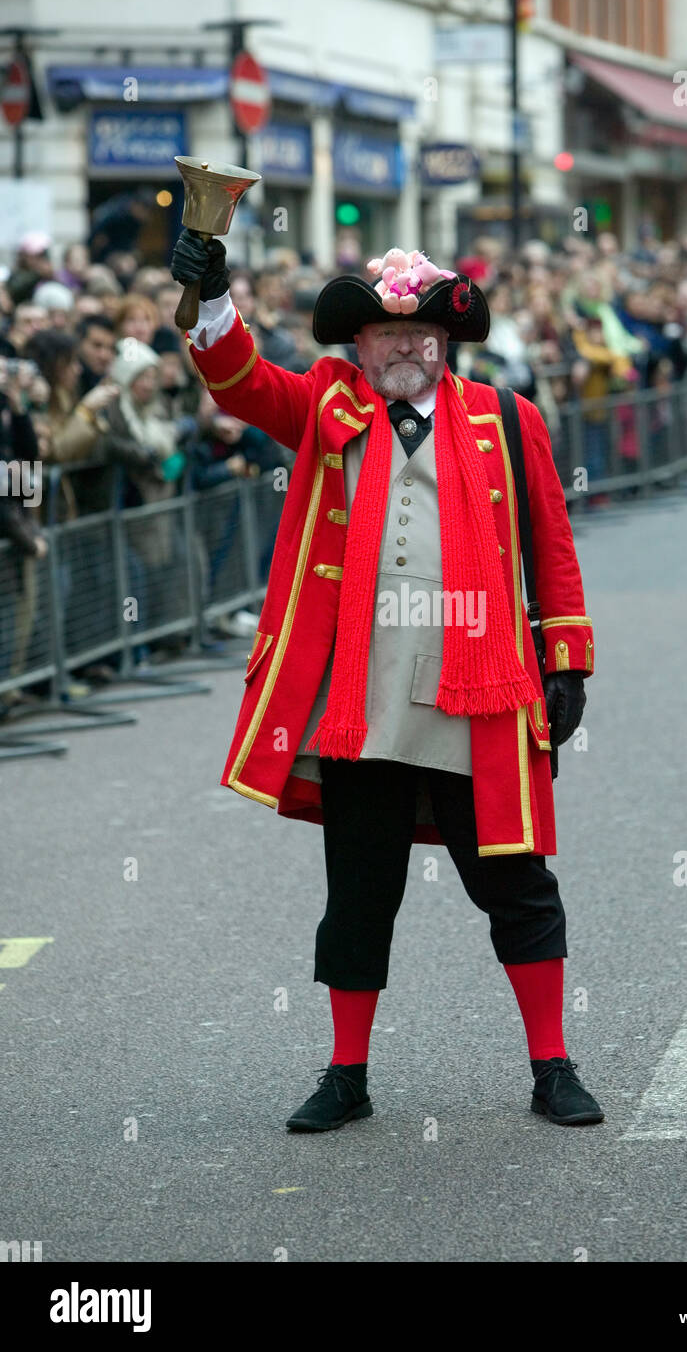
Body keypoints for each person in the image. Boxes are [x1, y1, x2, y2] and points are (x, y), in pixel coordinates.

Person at [172, 229, 603, 1134]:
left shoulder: (506, 418)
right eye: (385, 337)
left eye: (421, 338)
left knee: (515, 885)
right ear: (356, 347)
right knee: (360, 890)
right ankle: (346, 1072)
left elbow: (551, 549)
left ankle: (552, 1062)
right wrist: (213, 298)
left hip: (479, 688)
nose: (406, 349)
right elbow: (242, 381)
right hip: (360, 700)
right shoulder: (326, 406)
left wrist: (566, 664)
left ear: (444, 345)